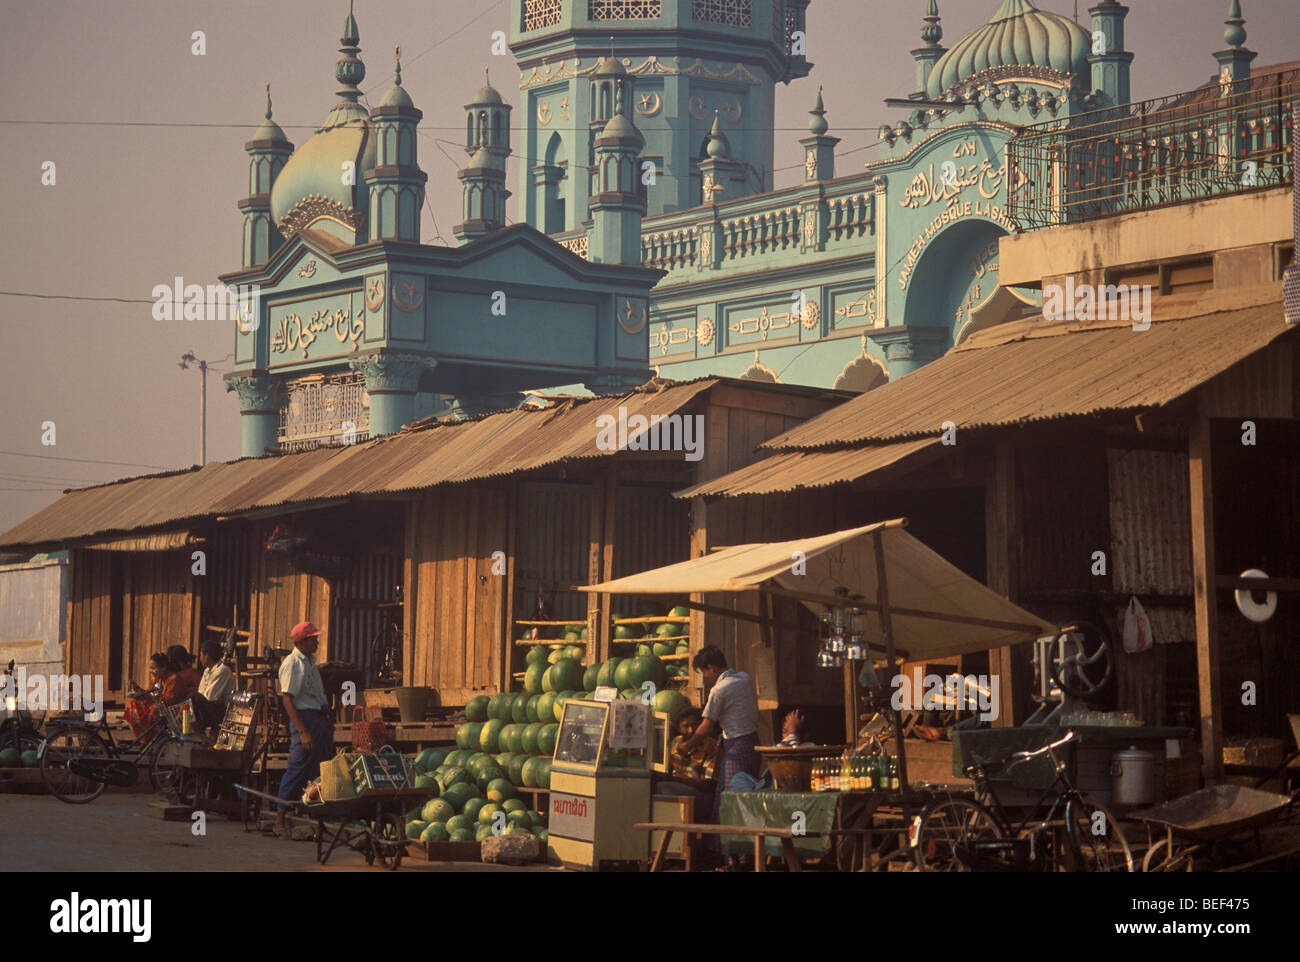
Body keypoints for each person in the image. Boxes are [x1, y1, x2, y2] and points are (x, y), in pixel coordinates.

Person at [676, 645, 761, 869]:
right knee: (741, 802)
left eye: (704, 673)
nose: (705, 678)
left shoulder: (719, 690)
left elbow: (705, 727)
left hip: (737, 749)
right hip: (752, 743)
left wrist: (686, 745)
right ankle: (737, 859)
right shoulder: (744, 678)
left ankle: (737, 861)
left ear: (711, 669)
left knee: (732, 804)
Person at [273, 622, 334, 837]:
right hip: (304, 719)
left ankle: (315, 816)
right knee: (297, 767)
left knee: (319, 769)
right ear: (303, 641)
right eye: (314, 638)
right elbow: (287, 699)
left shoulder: (310, 662)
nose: (317, 641)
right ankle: (280, 816)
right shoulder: (292, 663)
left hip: (318, 718)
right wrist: (302, 731)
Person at [654, 706, 719, 810]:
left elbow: (709, 785)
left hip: (702, 797)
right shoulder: (675, 743)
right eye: (686, 726)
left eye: (695, 725)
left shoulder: (711, 746)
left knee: (662, 788)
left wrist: (676, 781)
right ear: (679, 728)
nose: (691, 730)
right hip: (677, 790)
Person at [189, 640, 235, 730]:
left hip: (221, 712)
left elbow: (211, 697)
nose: (200, 658)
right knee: (192, 700)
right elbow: (201, 692)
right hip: (210, 706)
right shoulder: (207, 671)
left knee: (193, 696)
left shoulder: (222, 670)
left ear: (207, 656)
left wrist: (200, 698)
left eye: (201, 655)